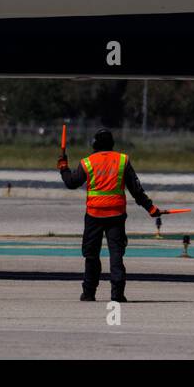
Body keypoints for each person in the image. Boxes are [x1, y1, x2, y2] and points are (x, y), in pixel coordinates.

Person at [58, 129, 161, 302]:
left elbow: (71, 183)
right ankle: (117, 294)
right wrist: (150, 208)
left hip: (94, 214)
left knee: (91, 255)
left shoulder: (87, 162)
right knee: (116, 254)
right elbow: (136, 188)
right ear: (112, 144)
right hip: (116, 215)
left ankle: (89, 292)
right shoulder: (122, 160)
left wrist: (63, 168)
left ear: (94, 144)